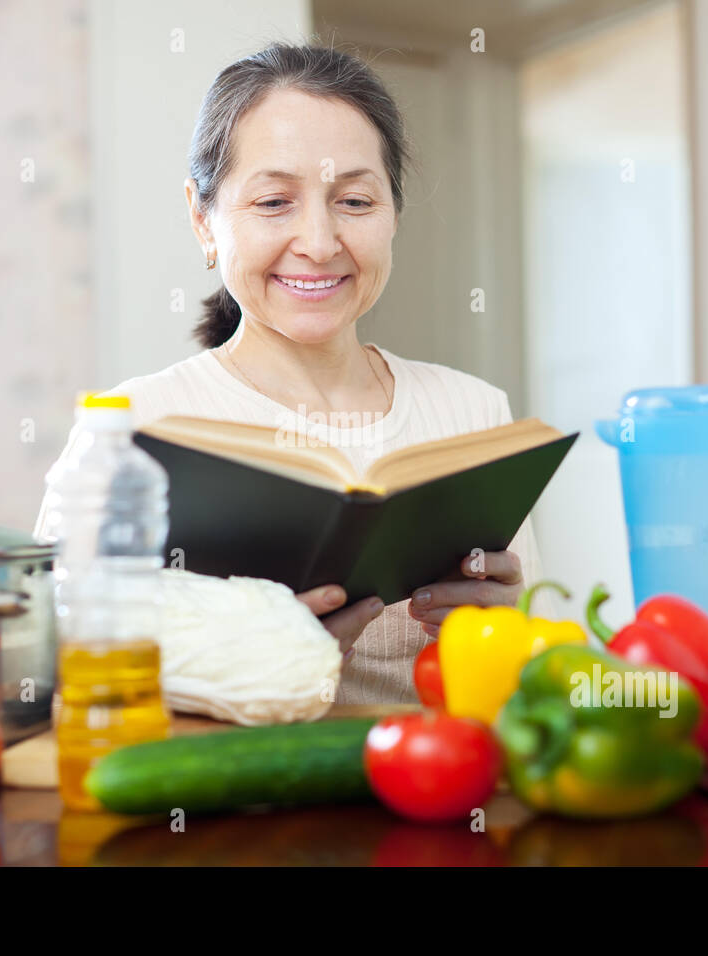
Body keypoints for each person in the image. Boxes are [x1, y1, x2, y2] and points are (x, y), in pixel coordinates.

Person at [36, 42, 543, 705]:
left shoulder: (473, 412)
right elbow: (55, 674)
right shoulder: (131, 431)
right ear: (203, 218)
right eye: (274, 202)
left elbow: (534, 686)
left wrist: (511, 623)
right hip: (222, 802)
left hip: (441, 796)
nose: (320, 242)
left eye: (355, 202)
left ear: (394, 213)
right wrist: (249, 656)